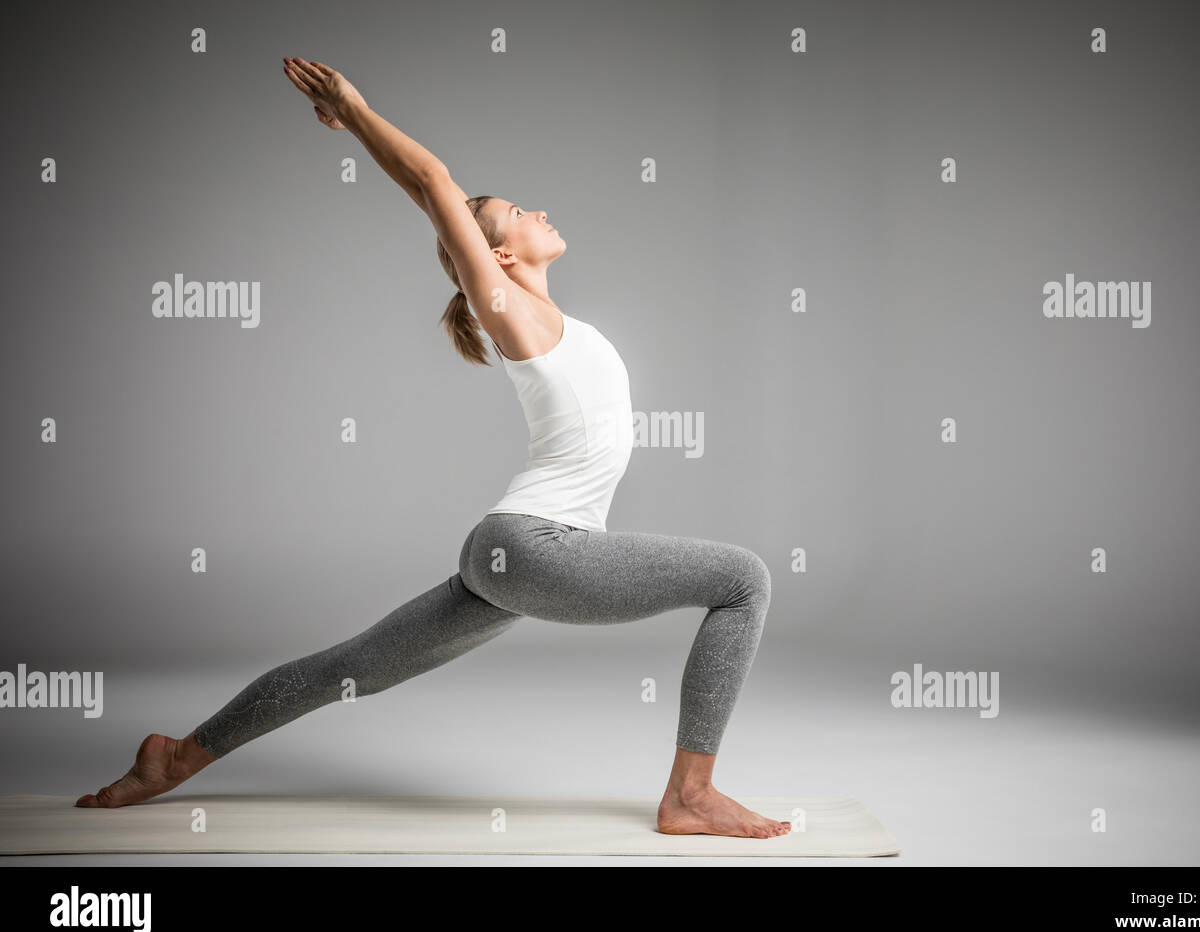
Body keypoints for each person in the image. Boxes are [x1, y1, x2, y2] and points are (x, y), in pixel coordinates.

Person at [75, 57, 789, 840]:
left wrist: (357, 127)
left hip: (513, 554)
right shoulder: (510, 310)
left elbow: (433, 192)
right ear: (500, 258)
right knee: (744, 580)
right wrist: (353, 108)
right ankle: (690, 794)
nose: (538, 210)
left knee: (352, 668)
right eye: (517, 211)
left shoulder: (554, 322)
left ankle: (176, 757)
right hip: (539, 545)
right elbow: (433, 182)